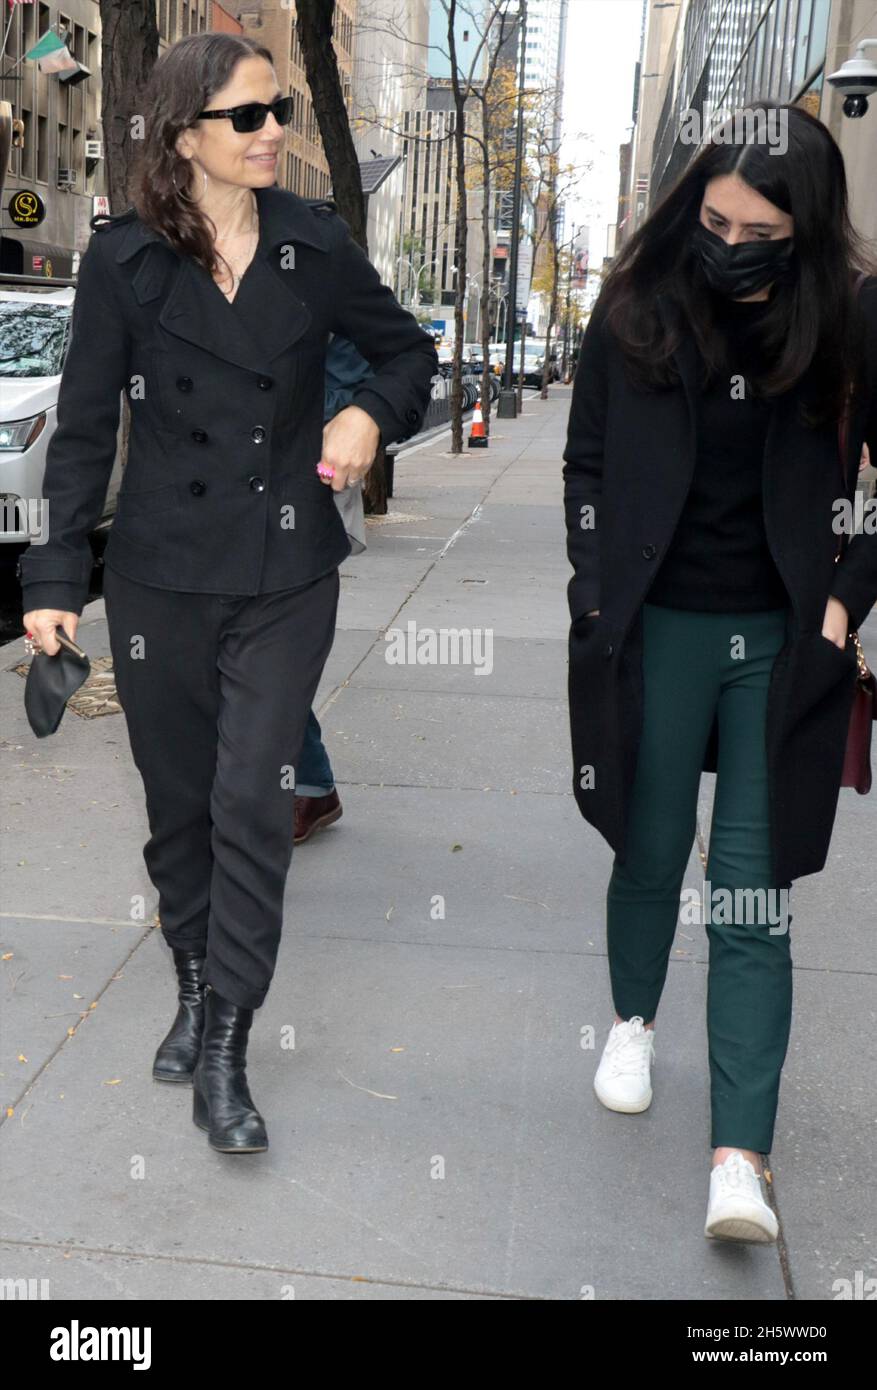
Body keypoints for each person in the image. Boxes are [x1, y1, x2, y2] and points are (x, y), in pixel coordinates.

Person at [18, 32, 438, 1156]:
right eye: (248, 116)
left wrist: (366, 416)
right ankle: (195, 978)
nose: (272, 134)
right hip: (160, 573)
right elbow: (85, 426)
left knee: (254, 795)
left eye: (282, 109)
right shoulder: (121, 259)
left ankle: (226, 1043)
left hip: (285, 566)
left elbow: (406, 358)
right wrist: (55, 576)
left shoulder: (317, 244)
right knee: (178, 803)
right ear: (185, 133)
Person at [563, 102, 877, 1242]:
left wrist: (844, 604)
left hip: (783, 640)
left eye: (757, 231)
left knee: (752, 895)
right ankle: (633, 1019)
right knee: (647, 848)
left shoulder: (846, 318)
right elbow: (586, 458)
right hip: (652, 627)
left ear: (801, 231)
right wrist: (593, 592)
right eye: (713, 219)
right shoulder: (636, 306)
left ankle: (739, 1159)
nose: (728, 244)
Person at [293, 333, 375, 845]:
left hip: (295, 498)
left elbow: (352, 390)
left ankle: (309, 785)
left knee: (271, 660)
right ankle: (311, 785)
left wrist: (318, 480)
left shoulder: (316, 271)